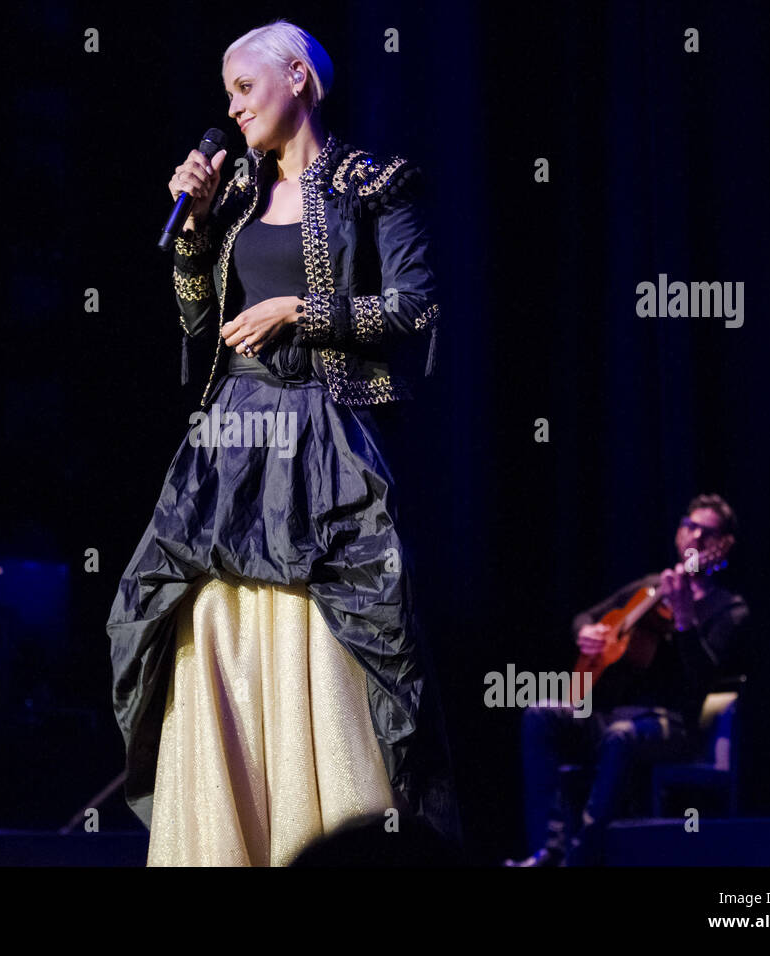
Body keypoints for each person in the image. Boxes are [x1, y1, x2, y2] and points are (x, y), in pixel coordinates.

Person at [107, 19, 458, 866]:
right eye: (226, 94)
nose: (231, 109)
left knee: (335, 635)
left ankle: (328, 833)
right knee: (209, 627)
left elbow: (415, 306)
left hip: (325, 439)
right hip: (230, 443)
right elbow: (200, 324)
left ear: (298, 78)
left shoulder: (375, 184)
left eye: (244, 88)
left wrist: (299, 310)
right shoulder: (230, 200)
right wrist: (190, 235)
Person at [506, 494, 750, 866]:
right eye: (690, 526)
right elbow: (587, 617)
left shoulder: (730, 610)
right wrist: (585, 633)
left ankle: (582, 855)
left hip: (678, 725)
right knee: (540, 714)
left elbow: (706, 684)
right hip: (615, 715)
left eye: (708, 532)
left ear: (723, 546)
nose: (696, 537)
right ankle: (547, 850)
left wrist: (685, 620)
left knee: (621, 734)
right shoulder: (652, 587)